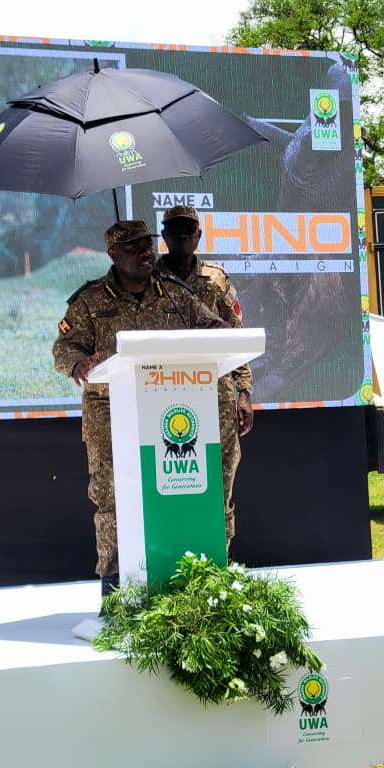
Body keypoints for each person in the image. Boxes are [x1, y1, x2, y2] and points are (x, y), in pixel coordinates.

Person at [53, 219, 227, 606]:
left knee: (175, 489)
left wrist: (218, 330)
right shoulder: (90, 301)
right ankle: (115, 586)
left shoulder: (176, 294)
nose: (145, 253)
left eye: (147, 245)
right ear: (113, 255)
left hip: (167, 406)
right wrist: (79, 363)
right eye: (133, 248)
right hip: (109, 410)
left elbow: (212, 326)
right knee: (111, 494)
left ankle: (179, 580)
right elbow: (63, 348)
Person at [155, 205, 254, 547]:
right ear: (164, 235)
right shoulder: (148, 279)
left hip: (216, 391)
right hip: (163, 391)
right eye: (175, 230)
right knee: (172, 477)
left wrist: (244, 392)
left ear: (199, 235)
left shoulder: (216, 278)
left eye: (189, 230)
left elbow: (236, 336)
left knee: (221, 474)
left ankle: (219, 556)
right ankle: (173, 552)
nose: (182, 236)